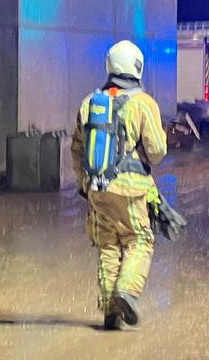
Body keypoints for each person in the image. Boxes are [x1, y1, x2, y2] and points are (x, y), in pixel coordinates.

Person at [71, 40, 168, 331]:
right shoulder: (144, 103)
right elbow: (157, 151)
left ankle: (109, 311)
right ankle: (127, 291)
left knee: (108, 246)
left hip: (97, 189)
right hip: (131, 190)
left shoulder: (90, 102)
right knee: (139, 240)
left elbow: (77, 148)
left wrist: (83, 185)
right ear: (137, 67)